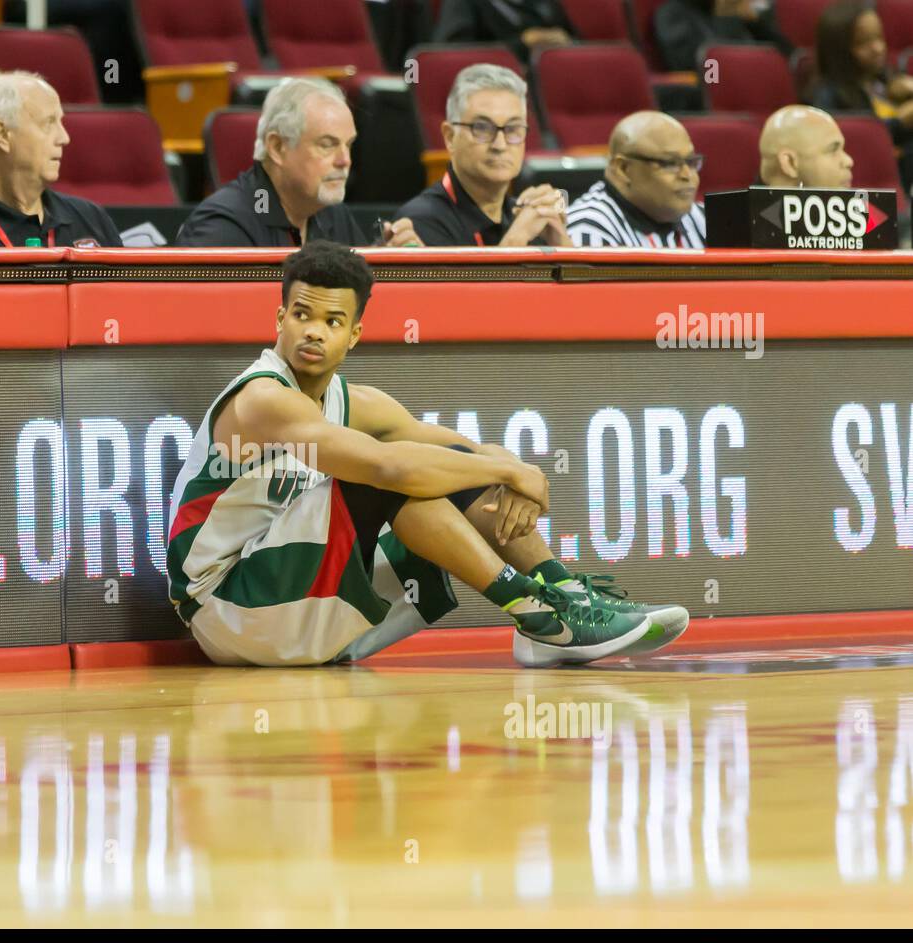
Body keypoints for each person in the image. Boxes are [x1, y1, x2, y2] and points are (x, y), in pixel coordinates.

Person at [165, 241, 689, 668]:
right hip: (227, 606)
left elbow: (460, 450)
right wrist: (509, 469)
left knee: (446, 461)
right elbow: (386, 468)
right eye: (301, 314)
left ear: (354, 334)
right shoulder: (263, 399)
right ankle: (537, 613)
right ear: (279, 318)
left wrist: (510, 471)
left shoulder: (354, 401)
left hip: (290, 600)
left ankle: (566, 596)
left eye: (331, 321)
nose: (313, 331)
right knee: (392, 471)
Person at [176, 78, 421, 247]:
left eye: (348, 145)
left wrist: (388, 262)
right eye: (327, 145)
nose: (344, 161)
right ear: (277, 147)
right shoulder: (222, 228)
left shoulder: (332, 214)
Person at [0, 72, 122, 248]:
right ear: (2, 134)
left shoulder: (92, 218)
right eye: (49, 123)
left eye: (60, 122)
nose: (64, 138)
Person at [395, 64, 570, 246]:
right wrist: (517, 239)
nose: (500, 145)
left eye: (512, 128)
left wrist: (560, 241)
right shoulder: (421, 221)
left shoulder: (528, 218)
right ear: (450, 137)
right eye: (482, 128)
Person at [809, 0, 913, 188]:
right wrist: (901, 122)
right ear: (839, 49)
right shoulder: (827, 96)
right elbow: (858, 146)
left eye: (879, 37)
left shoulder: (888, 82)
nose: (878, 48)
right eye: (863, 42)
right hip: (870, 189)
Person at [566, 111, 706, 247]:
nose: (687, 175)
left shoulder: (706, 219)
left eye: (691, 162)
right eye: (669, 163)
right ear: (623, 169)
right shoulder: (588, 231)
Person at [655, 0, 793, 73]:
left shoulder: (733, 11)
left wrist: (756, 24)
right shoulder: (672, 14)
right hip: (712, 98)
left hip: (757, 86)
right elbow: (712, 73)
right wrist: (727, 18)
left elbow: (788, 57)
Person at [433, 0, 575, 63]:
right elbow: (452, 57)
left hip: (546, 83)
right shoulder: (463, 4)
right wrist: (523, 43)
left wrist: (567, 42)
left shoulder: (543, 3)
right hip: (491, 90)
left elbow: (575, 40)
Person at [758, 104, 854, 188]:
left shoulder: (865, 207)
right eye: (832, 150)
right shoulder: (750, 209)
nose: (849, 161)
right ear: (789, 163)